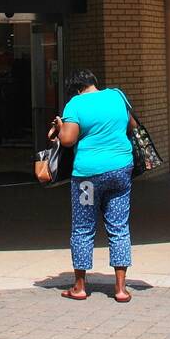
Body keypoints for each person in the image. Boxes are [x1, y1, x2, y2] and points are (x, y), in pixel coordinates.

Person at [47, 70, 137, 303]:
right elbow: (131, 125)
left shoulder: (75, 104)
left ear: (77, 89)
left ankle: (79, 287)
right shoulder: (118, 96)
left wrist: (59, 127)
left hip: (88, 177)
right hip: (120, 170)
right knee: (119, 226)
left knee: (83, 227)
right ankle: (120, 288)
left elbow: (68, 140)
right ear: (94, 83)